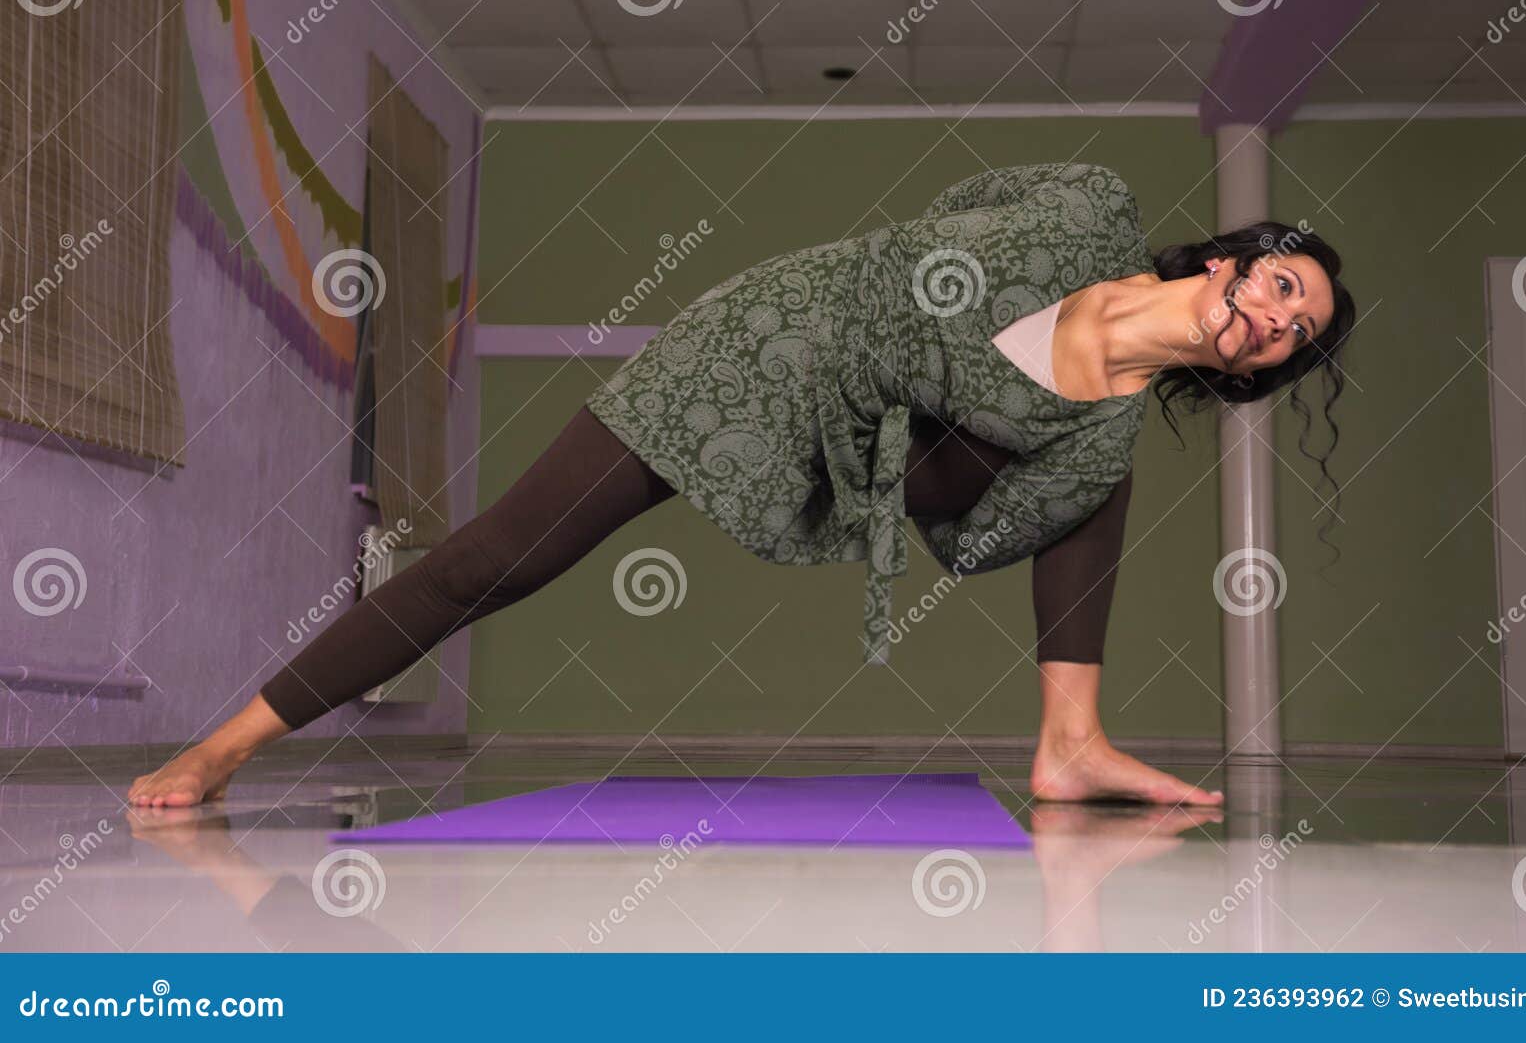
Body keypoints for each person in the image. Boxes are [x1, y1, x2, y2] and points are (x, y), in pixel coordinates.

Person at [129, 162, 1354, 810]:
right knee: (499, 557)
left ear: (1255, 369)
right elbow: (951, 216)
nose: (1277, 320)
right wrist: (917, 343)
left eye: (1294, 339)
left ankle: (1071, 744)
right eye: (1286, 287)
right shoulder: (1090, 205)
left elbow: (976, 542)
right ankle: (223, 747)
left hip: (851, 454)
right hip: (756, 351)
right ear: (1242, 259)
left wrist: (948, 428)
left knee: (1097, 483)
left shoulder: (1094, 444)